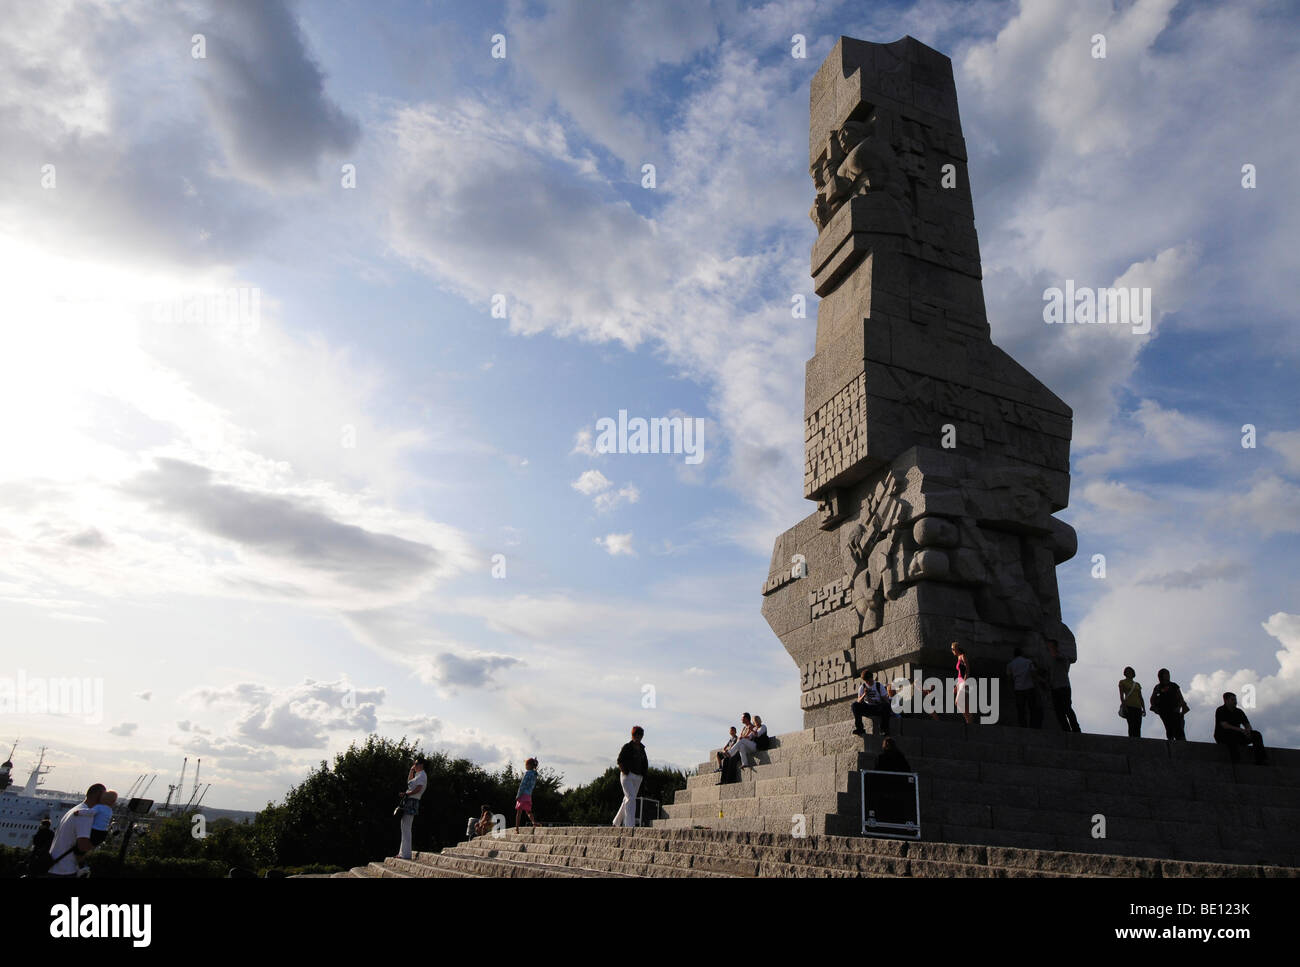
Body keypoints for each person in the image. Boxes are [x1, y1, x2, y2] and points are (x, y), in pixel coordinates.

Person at [47, 784, 104, 878]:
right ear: (98, 796)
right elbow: (82, 845)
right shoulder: (85, 814)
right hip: (65, 869)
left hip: (54, 864)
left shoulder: (75, 810)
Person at [1214, 692, 1267, 764]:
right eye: (1232, 700)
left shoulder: (1239, 711)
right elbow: (1225, 725)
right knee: (1231, 735)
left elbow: (1247, 724)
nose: (1235, 702)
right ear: (1226, 701)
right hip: (1223, 736)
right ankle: (1236, 761)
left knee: (1256, 734)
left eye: (1235, 700)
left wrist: (1248, 731)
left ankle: (1261, 760)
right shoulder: (1220, 710)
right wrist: (1241, 730)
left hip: (1237, 735)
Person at [613, 726, 648, 827]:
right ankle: (629, 825)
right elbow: (619, 760)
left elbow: (644, 763)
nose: (638, 737)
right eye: (636, 735)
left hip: (638, 777)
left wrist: (643, 775)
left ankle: (616, 822)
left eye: (640, 735)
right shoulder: (627, 747)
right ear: (633, 735)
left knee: (628, 798)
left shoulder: (642, 749)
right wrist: (625, 771)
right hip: (627, 776)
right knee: (631, 798)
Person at [1046, 640, 1081, 733]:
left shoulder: (1063, 656)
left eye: (1050, 646)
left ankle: (1076, 729)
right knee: (1058, 711)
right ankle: (1066, 729)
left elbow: (1057, 656)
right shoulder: (1050, 660)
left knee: (1067, 708)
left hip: (1063, 686)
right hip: (1054, 687)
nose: (1049, 648)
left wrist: (1053, 649)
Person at [396, 756, 427, 860]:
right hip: (409, 800)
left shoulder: (422, 775)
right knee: (404, 827)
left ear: (421, 765)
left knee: (406, 827)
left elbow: (418, 788)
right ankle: (402, 853)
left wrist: (407, 793)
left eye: (416, 764)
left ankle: (405, 854)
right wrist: (411, 770)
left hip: (412, 801)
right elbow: (409, 782)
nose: (415, 766)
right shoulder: (418, 775)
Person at [1150, 669, 1190, 741]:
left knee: (1178, 728)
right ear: (1161, 676)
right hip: (1164, 711)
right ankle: (1171, 742)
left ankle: (1181, 742)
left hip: (1174, 710)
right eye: (1165, 674)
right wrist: (1156, 708)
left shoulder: (1174, 685)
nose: (1167, 676)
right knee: (1168, 727)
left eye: (1168, 674)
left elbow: (1180, 697)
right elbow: (1152, 699)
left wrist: (1180, 707)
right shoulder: (1158, 687)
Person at [1006, 648, 1042, 728]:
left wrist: (1011, 689)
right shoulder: (1028, 662)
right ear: (1022, 653)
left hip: (1018, 689)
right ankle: (1033, 725)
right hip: (1029, 687)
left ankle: (1023, 726)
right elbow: (1033, 674)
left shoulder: (1010, 664)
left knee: (1021, 710)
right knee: (1032, 708)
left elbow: (1009, 678)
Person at [851, 671, 891, 737]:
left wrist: (875, 702)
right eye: (866, 681)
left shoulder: (879, 685)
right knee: (854, 705)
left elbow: (886, 701)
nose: (868, 683)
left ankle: (884, 730)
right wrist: (864, 694)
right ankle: (860, 728)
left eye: (869, 680)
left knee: (886, 706)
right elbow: (858, 701)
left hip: (877, 707)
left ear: (872, 678)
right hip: (867, 708)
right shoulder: (862, 687)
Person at [1118, 667, 1145, 738]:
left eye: (1130, 671)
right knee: (1131, 725)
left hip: (1138, 707)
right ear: (1125, 673)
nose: (1129, 673)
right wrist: (1124, 706)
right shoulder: (1122, 682)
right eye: (1127, 671)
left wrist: (1144, 708)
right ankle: (1132, 740)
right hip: (1129, 706)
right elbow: (1121, 696)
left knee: (1138, 726)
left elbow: (1140, 697)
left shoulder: (1137, 684)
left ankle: (1138, 741)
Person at [951, 642, 974, 725]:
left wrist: (965, 681)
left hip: (964, 682)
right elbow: (959, 673)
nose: (952, 650)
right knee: (965, 704)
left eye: (953, 649)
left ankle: (969, 719)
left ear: (957, 649)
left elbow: (968, 669)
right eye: (952, 649)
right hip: (960, 682)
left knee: (958, 702)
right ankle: (969, 721)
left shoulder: (963, 656)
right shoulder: (958, 658)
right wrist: (957, 685)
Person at [515, 757, 540, 828]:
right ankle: (534, 822)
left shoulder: (527, 773)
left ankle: (516, 828)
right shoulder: (534, 774)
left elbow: (522, 785)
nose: (525, 766)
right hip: (529, 795)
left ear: (529, 765)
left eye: (526, 764)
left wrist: (518, 795)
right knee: (528, 811)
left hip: (523, 794)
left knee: (519, 812)